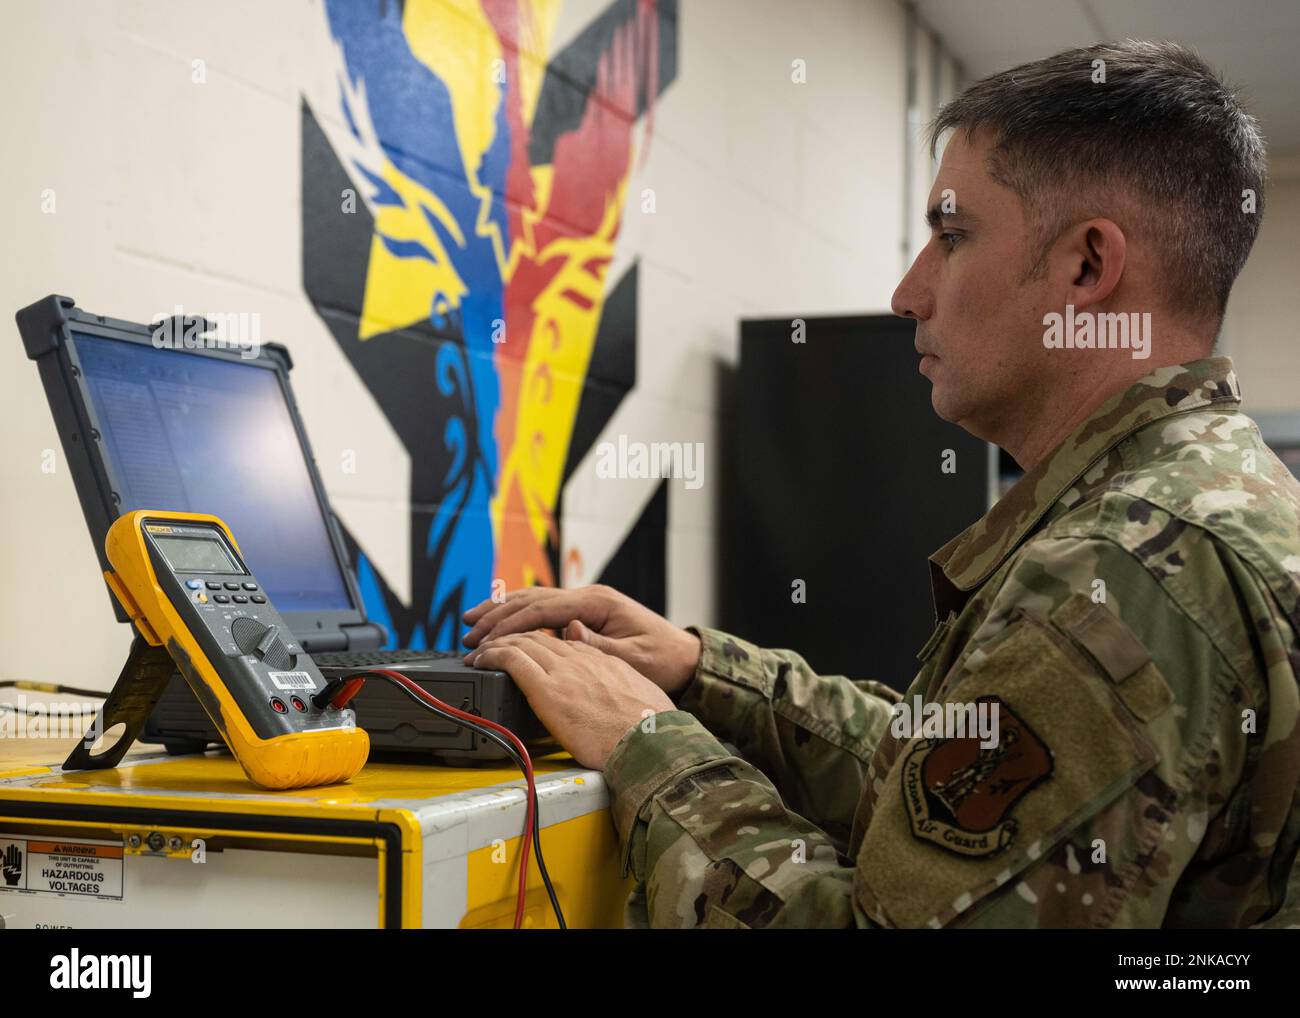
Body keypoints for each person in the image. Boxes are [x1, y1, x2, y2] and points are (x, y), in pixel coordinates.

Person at [461, 40, 1300, 928]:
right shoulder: (1201, 502)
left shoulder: (1128, 567)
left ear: (1086, 268)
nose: (908, 293)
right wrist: (705, 673)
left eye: (951, 237)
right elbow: (957, 779)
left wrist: (644, 746)